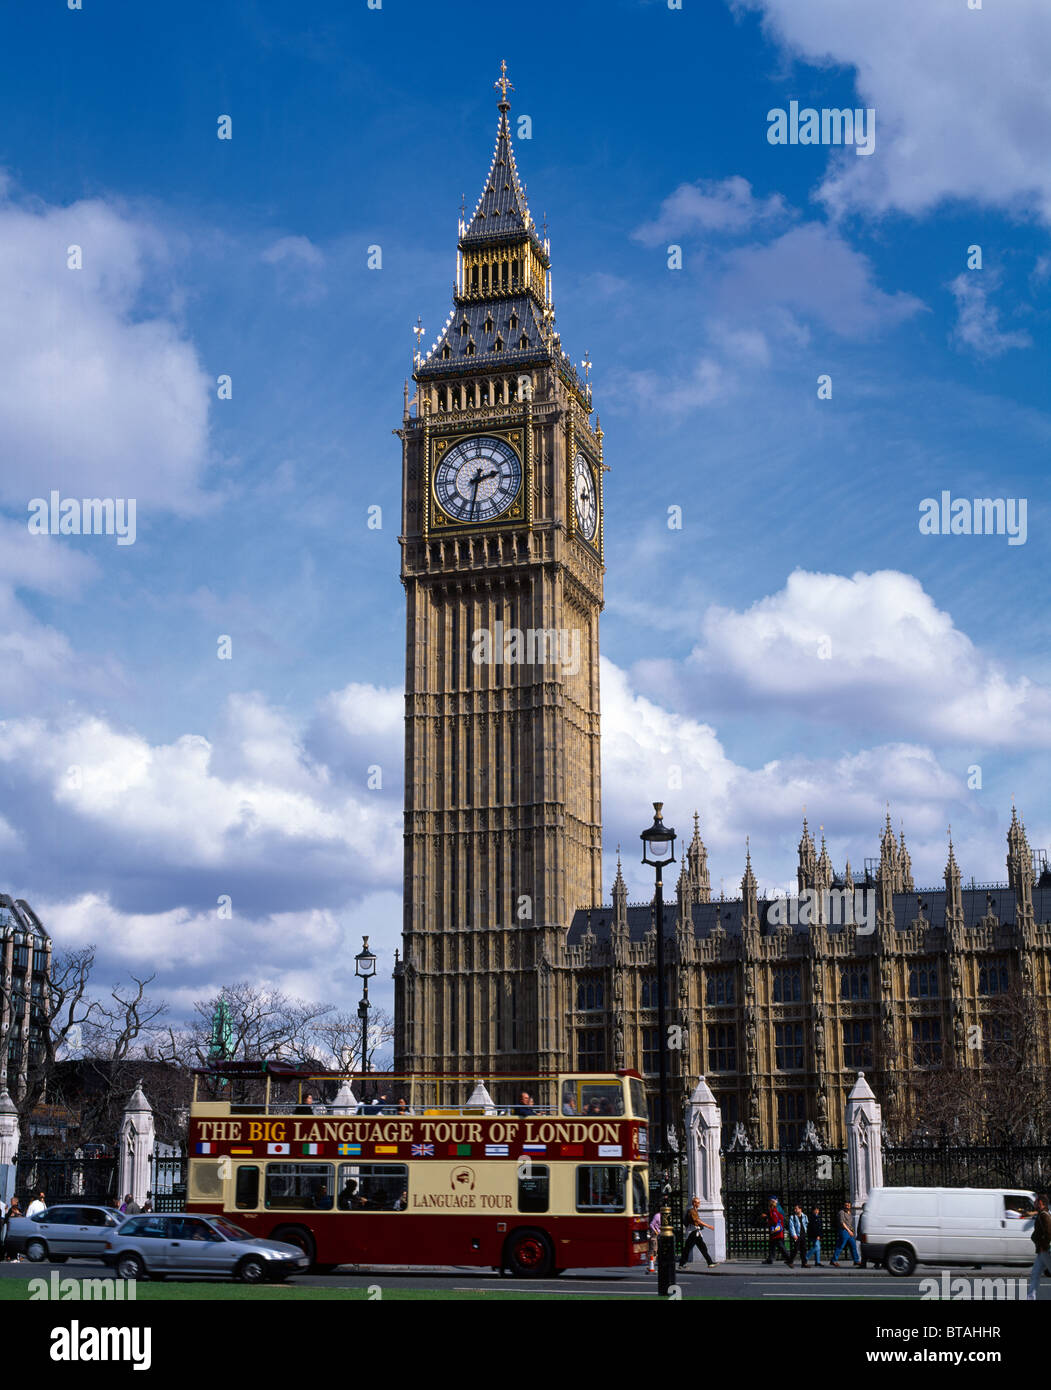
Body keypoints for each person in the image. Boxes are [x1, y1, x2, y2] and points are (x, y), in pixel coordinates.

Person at [679, 1196, 716, 1271]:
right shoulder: (692, 1211)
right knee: (688, 1248)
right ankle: (681, 1264)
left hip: (696, 1232)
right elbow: (697, 1221)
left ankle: (710, 1262)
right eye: (698, 1202)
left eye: (699, 1202)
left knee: (703, 1247)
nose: (699, 1204)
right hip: (693, 1233)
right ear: (694, 1203)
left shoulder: (695, 1211)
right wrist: (709, 1226)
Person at [1027, 1193, 1051, 1301]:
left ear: (1040, 1203)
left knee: (1035, 1275)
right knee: (1035, 1274)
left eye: (1036, 1201)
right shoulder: (1042, 1214)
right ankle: (1030, 1297)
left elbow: (1049, 1232)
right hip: (1042, 1252)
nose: (1034, 1203)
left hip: (1046, 1251)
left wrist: (1044, 1246)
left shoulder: (1044, 1215)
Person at [830, 1200, 861, 1267]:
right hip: (843, 1231)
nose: (847, 1207)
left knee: (853, 1246)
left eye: (849, 1205)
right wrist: (849, 1231)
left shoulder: (850, 1213)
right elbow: (842, 1223)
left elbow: (850, 1223)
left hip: (849, 1231)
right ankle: (833, 1260)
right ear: (844, 1206)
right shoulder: (841, 1212)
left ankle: (856, 1260)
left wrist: (851, 1230)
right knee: (840, 1246)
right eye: (846, 1205)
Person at [764, 1198, 790, 1264]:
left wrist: (768, 1218)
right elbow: (781, 1218)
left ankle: (789, 1258)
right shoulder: (777, 1210)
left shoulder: (773, 1211)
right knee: (772, 1245)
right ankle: (770, 1259)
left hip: (776, 1232)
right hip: (777, 1231)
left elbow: (775, 1221)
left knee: (780, 1245)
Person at [647, 1208, 661, 1274]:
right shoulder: (657, 1216)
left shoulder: (666, 1216)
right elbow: (651, 1224)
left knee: (658, 1251)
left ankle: (651, 1265)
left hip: (662, 1235)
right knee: (654, 1250)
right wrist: (655, 1231)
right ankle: (650, 1265)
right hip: (655, 1235)